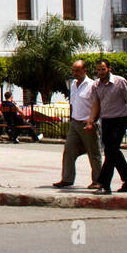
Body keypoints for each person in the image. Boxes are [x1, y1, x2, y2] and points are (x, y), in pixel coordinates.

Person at [87, 59, 127, 194]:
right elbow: (96, 104)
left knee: (110, 152)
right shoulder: (96, 85)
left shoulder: (120, 82)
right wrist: (91, 120)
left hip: (119, 121)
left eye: (103, 69)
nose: (100, 72)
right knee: (113, 152)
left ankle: (104, 184)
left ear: (109, 69)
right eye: (98, 70)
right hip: (106, 121)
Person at [54, 59, 102, 189]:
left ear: (84, 70)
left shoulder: (92, 85)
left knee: (94, 153)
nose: (75, 73)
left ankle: (98, 180)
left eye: (78, 71)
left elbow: (97, 104)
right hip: (75, 123)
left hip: (88, 123)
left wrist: (92, 120)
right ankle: (67, 179)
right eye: (73, 71)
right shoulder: (73, 85)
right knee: (68, 151)